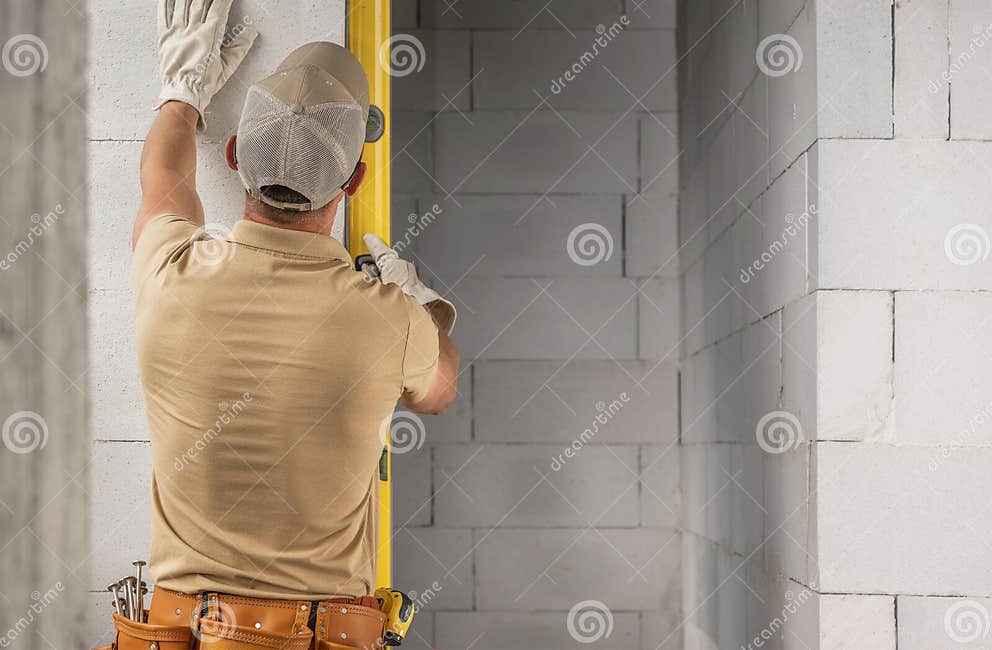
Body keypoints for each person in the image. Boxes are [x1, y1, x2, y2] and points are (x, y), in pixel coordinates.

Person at [127, 2, 459, 647]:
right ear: (356, 179)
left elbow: (163, 178)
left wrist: (181, 92)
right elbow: (441, 389)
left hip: (176, 635)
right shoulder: (389, 322)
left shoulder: (168, 269)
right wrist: (418, 303)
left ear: (232, 155)